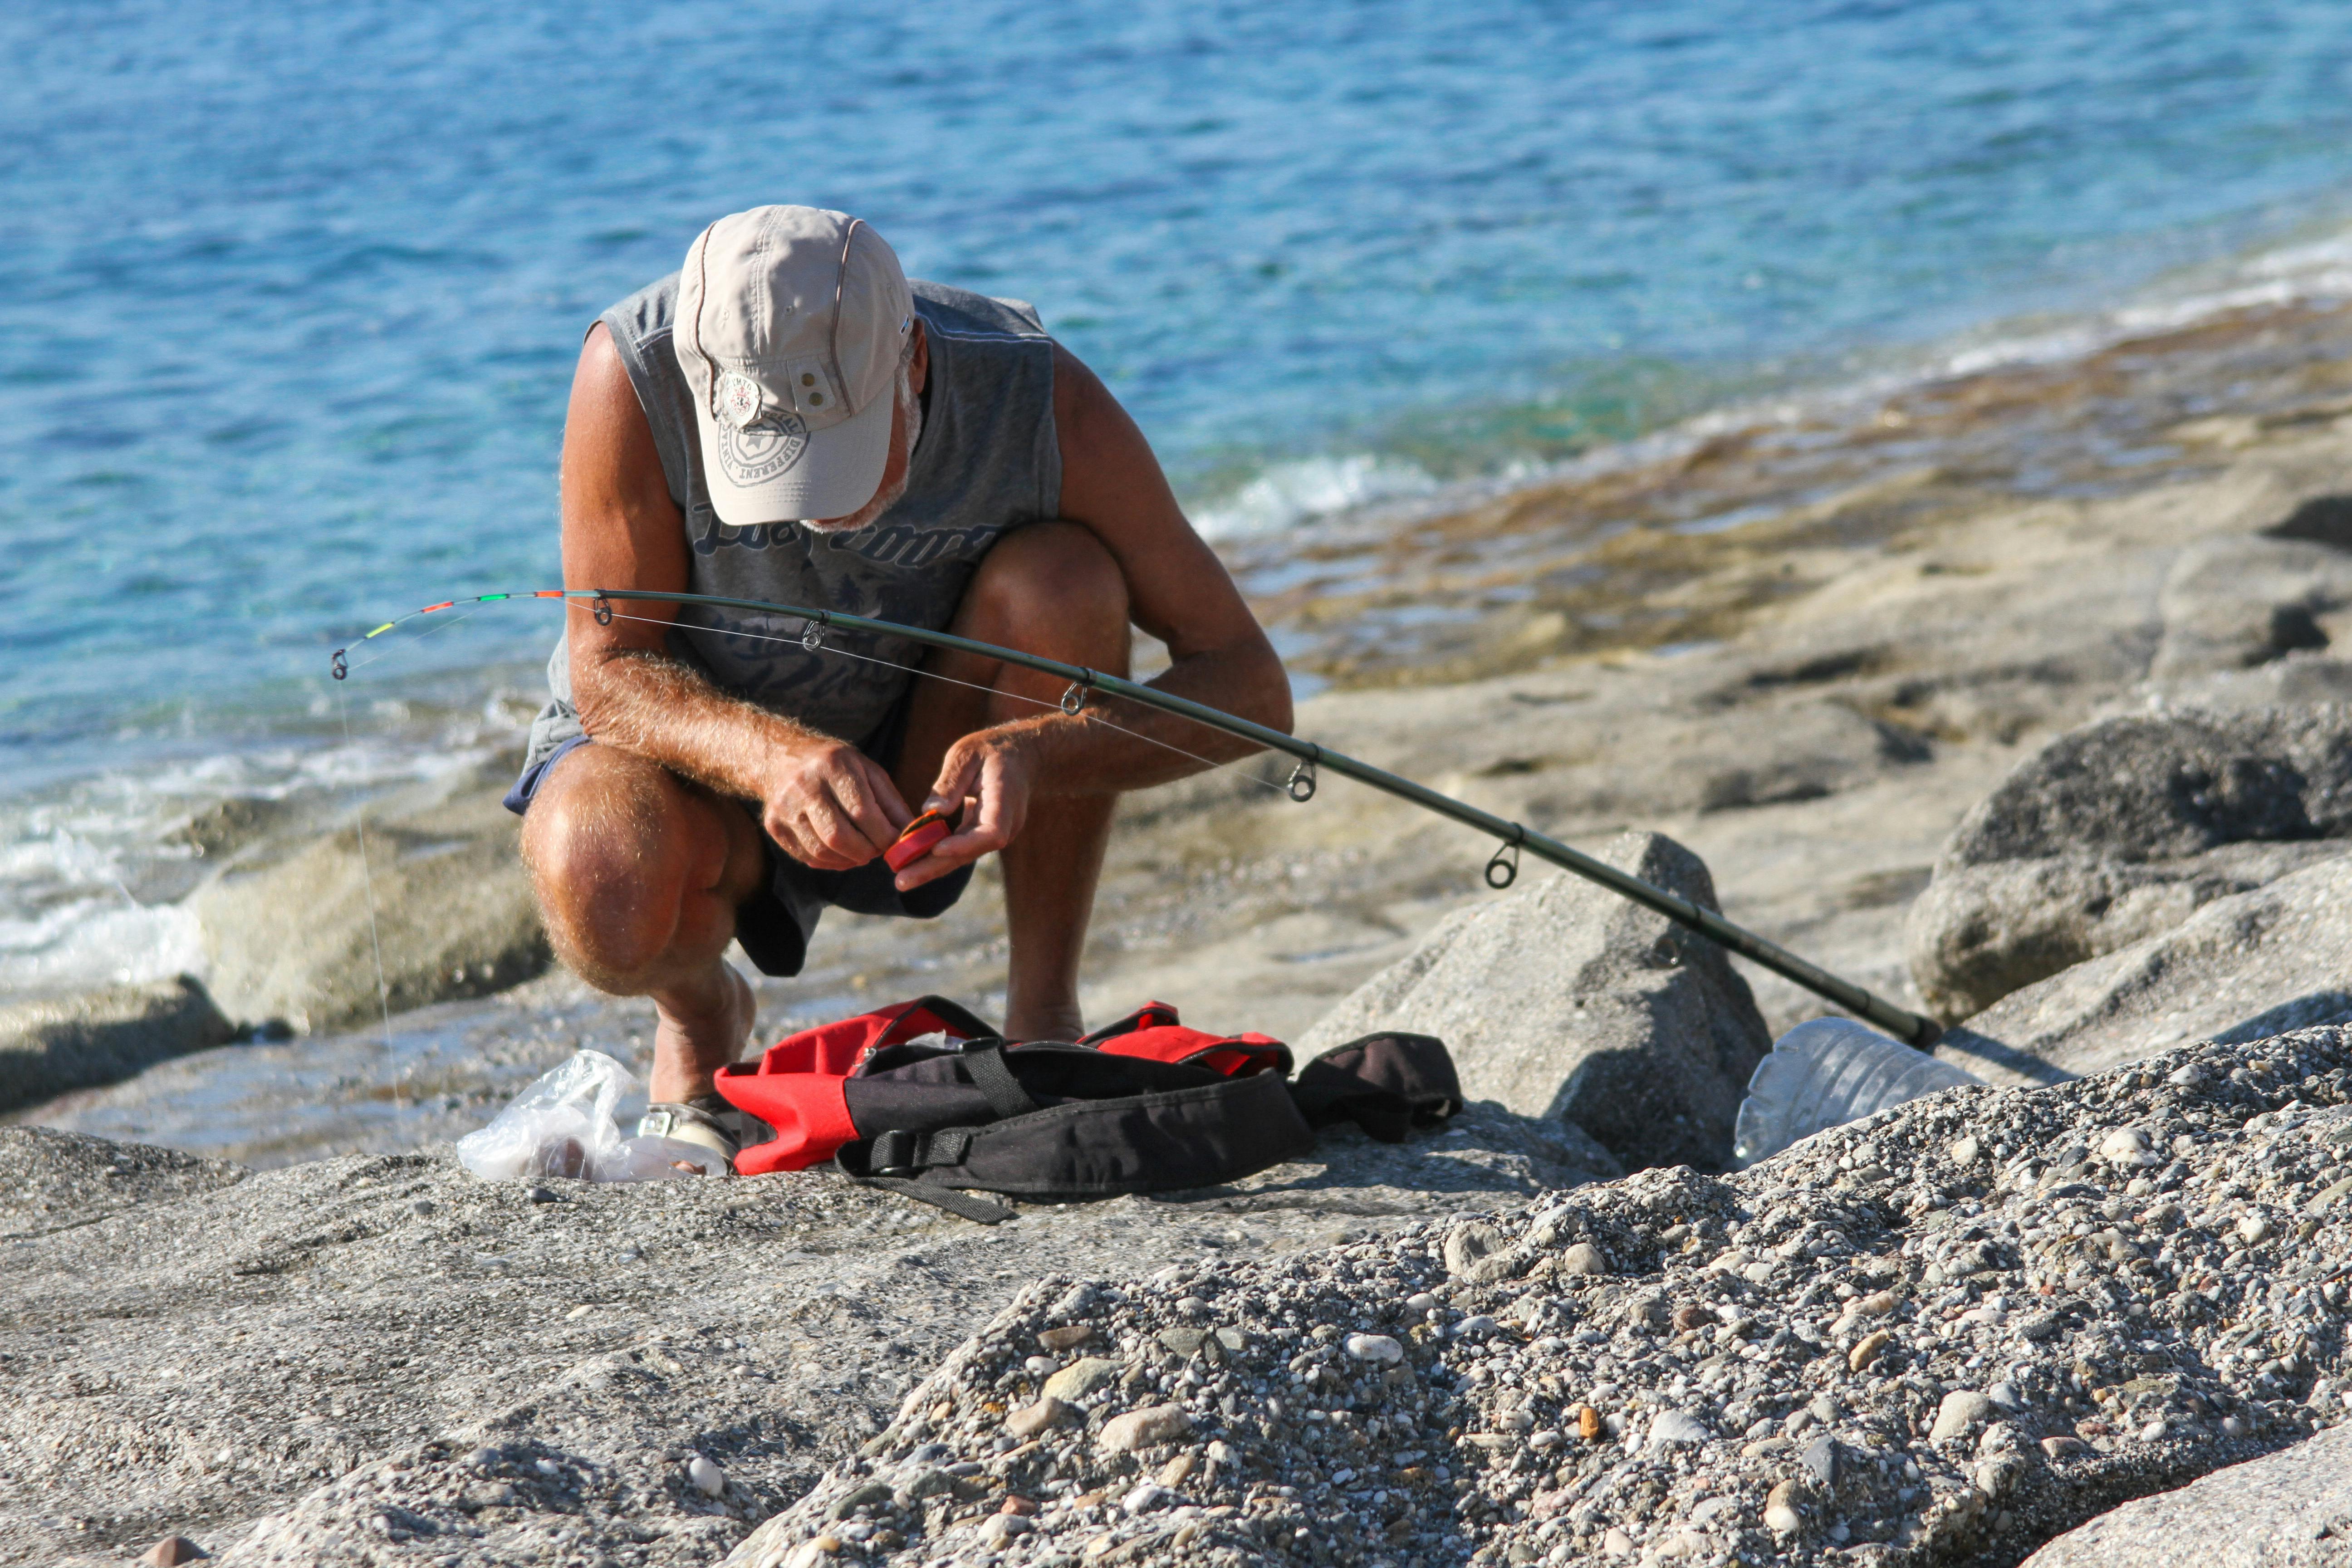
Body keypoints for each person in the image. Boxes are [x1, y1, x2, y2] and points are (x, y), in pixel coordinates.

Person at [506, 205, 1291, 1166]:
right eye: (774, 460)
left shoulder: (1037, 397)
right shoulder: (632, 374)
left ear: (913, 360)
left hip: (925, 775)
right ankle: (698, 1013)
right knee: (594, 867)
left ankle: (1045, 1014)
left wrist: (1041, 752)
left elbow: (1252, 690)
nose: (811, 505)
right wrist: (769, 758)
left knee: (1065, 582)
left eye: (836, 447)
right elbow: (607, 672)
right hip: (702, 776)